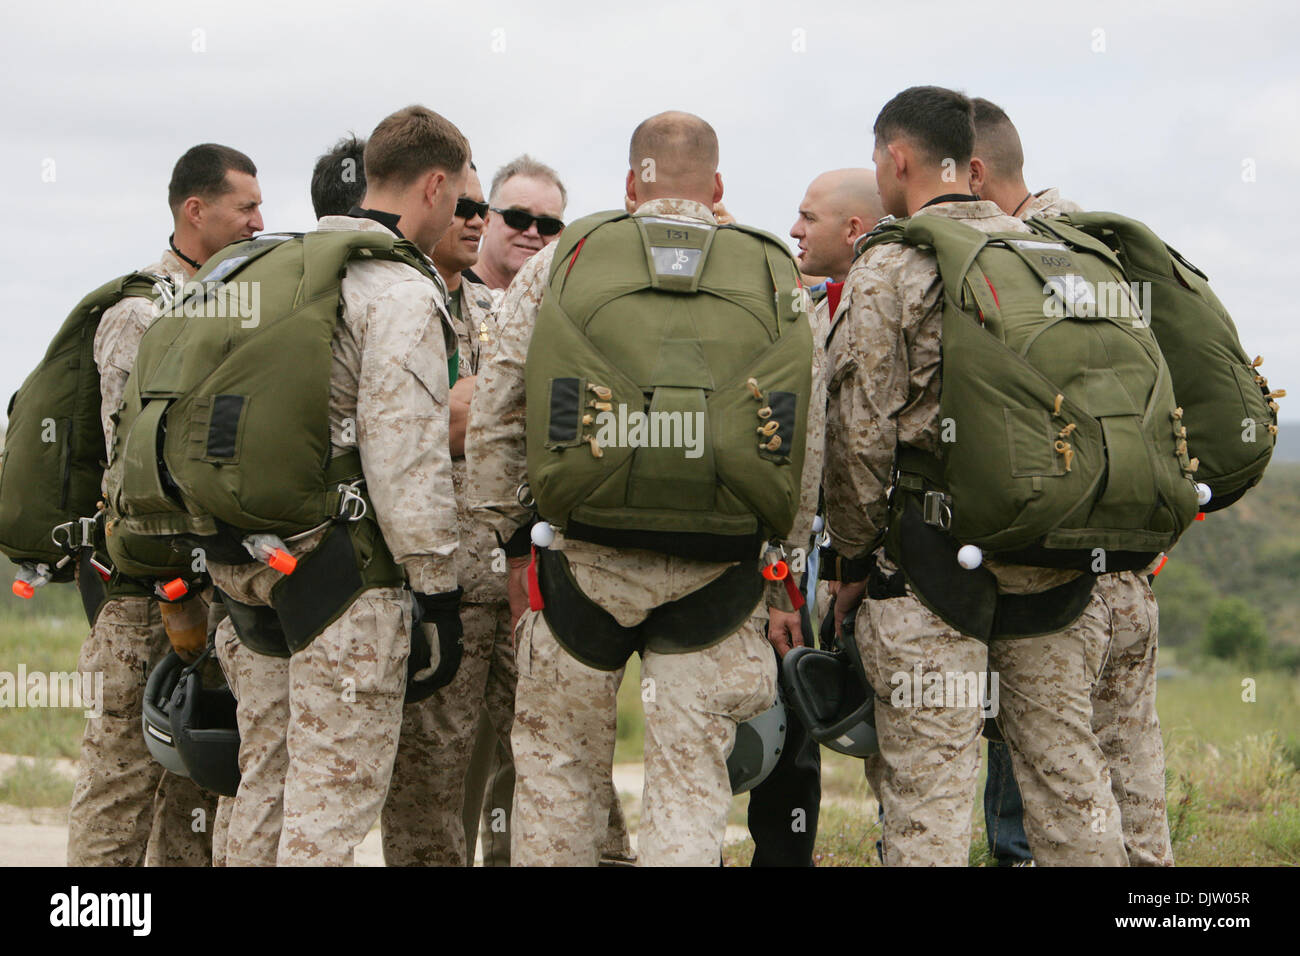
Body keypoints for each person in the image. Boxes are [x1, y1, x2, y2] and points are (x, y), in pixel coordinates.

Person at [468, 110, 822, 866]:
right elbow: (809, 434)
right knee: (690, 785)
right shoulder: (773, 275)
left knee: (560, 777)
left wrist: (507, 548)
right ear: (718, 185)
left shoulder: (565, 260)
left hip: (577, 562)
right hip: (720, 571)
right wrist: (783, 567)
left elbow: (499, 411)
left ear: (632, 184)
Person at [824, 85, 1145, 866]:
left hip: (931, 573)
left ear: (898, 159)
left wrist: (852, 564)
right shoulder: (1058, 253)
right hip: (1059, 564)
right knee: (1071, 790)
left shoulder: (892, 266)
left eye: (877, 161)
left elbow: (859, 438)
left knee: (928, 805)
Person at [209, 105, 468, 866]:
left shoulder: (265, 265)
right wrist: (439, 589)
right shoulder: (395, 286)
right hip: (341, 575)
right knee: (331, 802)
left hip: (241, 555)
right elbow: (403, 454)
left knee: (267, 778)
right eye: (459, 196)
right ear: (434, 184)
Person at [969, 96, 1173, 866]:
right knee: (1133, 775)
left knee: (1062, 791)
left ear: (976, 174)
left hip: (1053, 572)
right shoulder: (1108, 252)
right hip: (1130, 565)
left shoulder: (1015, 263)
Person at [69, 143, 262, 867]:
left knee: (198, 785)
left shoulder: (225, 304)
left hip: (213, 582)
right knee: (121, 775)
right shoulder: (139, 311)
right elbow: (133, 461)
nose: (257, 221)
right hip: (143, 587)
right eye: (245, 206)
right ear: (195, 209)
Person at [211, 134, 370, 866]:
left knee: (263, 772)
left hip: (234, 556)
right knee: (324, 782)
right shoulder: (366, 287)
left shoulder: (254, 283)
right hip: (324, 565)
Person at [733, 169, 884, 867]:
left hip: (878, 561)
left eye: (806, 218)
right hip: (801, 553)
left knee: (900, 737)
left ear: (853, 229)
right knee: (789, 705)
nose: (793, 230)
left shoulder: (892, 305)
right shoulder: (802, 308)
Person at [380, 163, 520, 866]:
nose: (474, 218)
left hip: (515, 587)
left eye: (482, 207)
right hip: (440, 590)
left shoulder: (499, 313)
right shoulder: (394, 306)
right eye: (462, 204)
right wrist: (451, 417)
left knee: (534, 776)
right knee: (428, 790)